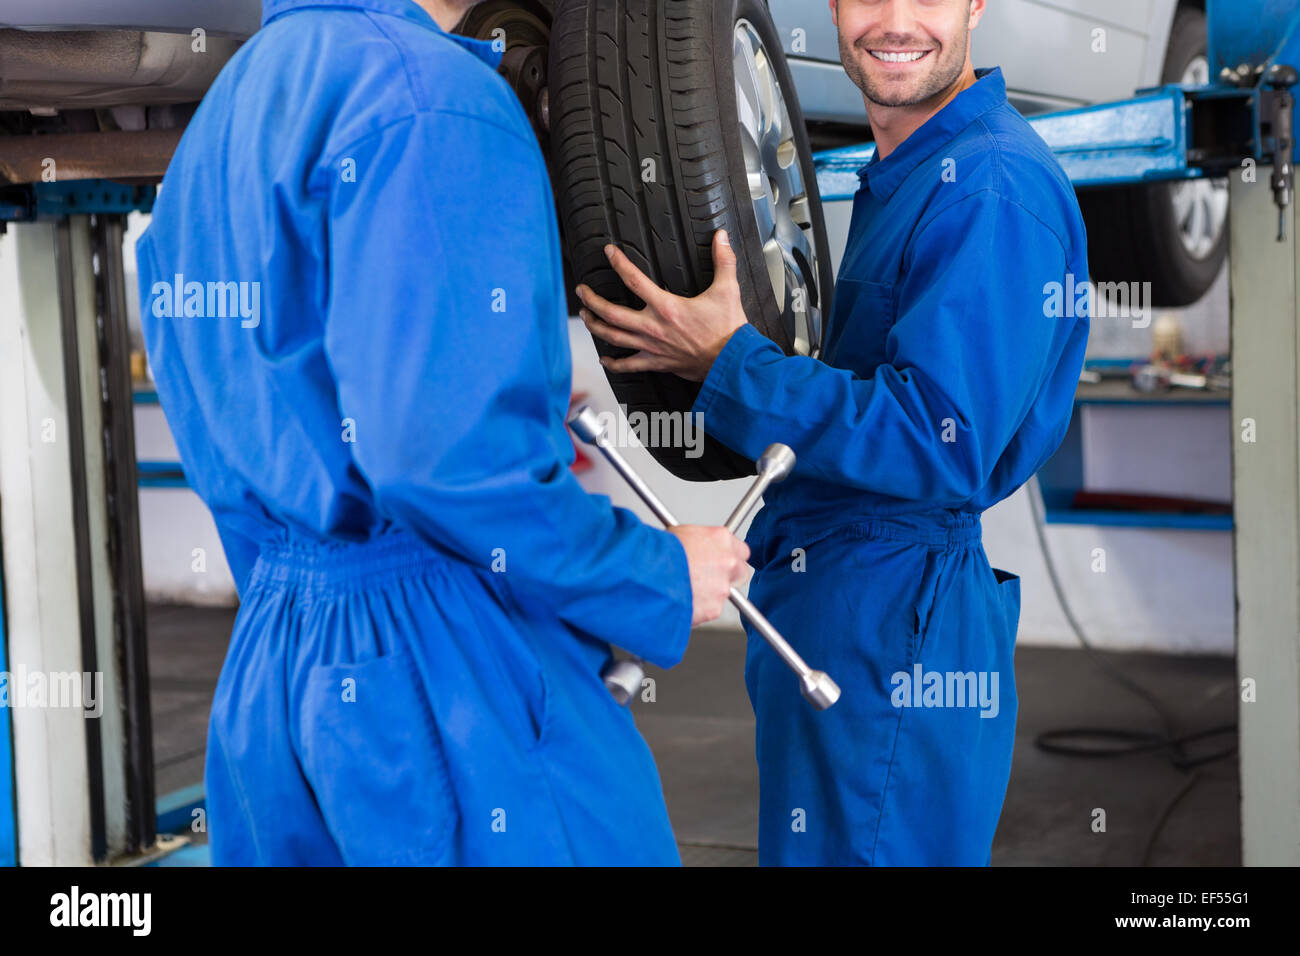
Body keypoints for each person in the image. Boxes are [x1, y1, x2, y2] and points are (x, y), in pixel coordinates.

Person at [137, 0, 749, 865]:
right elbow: (445, 464)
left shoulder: (227, 114)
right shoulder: (436, 97)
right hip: (448, 685)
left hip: (271, 679)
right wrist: (658, 571)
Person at [578, 0, 1090, 865]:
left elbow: (941, 441)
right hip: (845, 598)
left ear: (976, 3)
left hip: (893, 623)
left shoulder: (992, 186)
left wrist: (728, 361)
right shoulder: (915, 171)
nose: (894, 21)